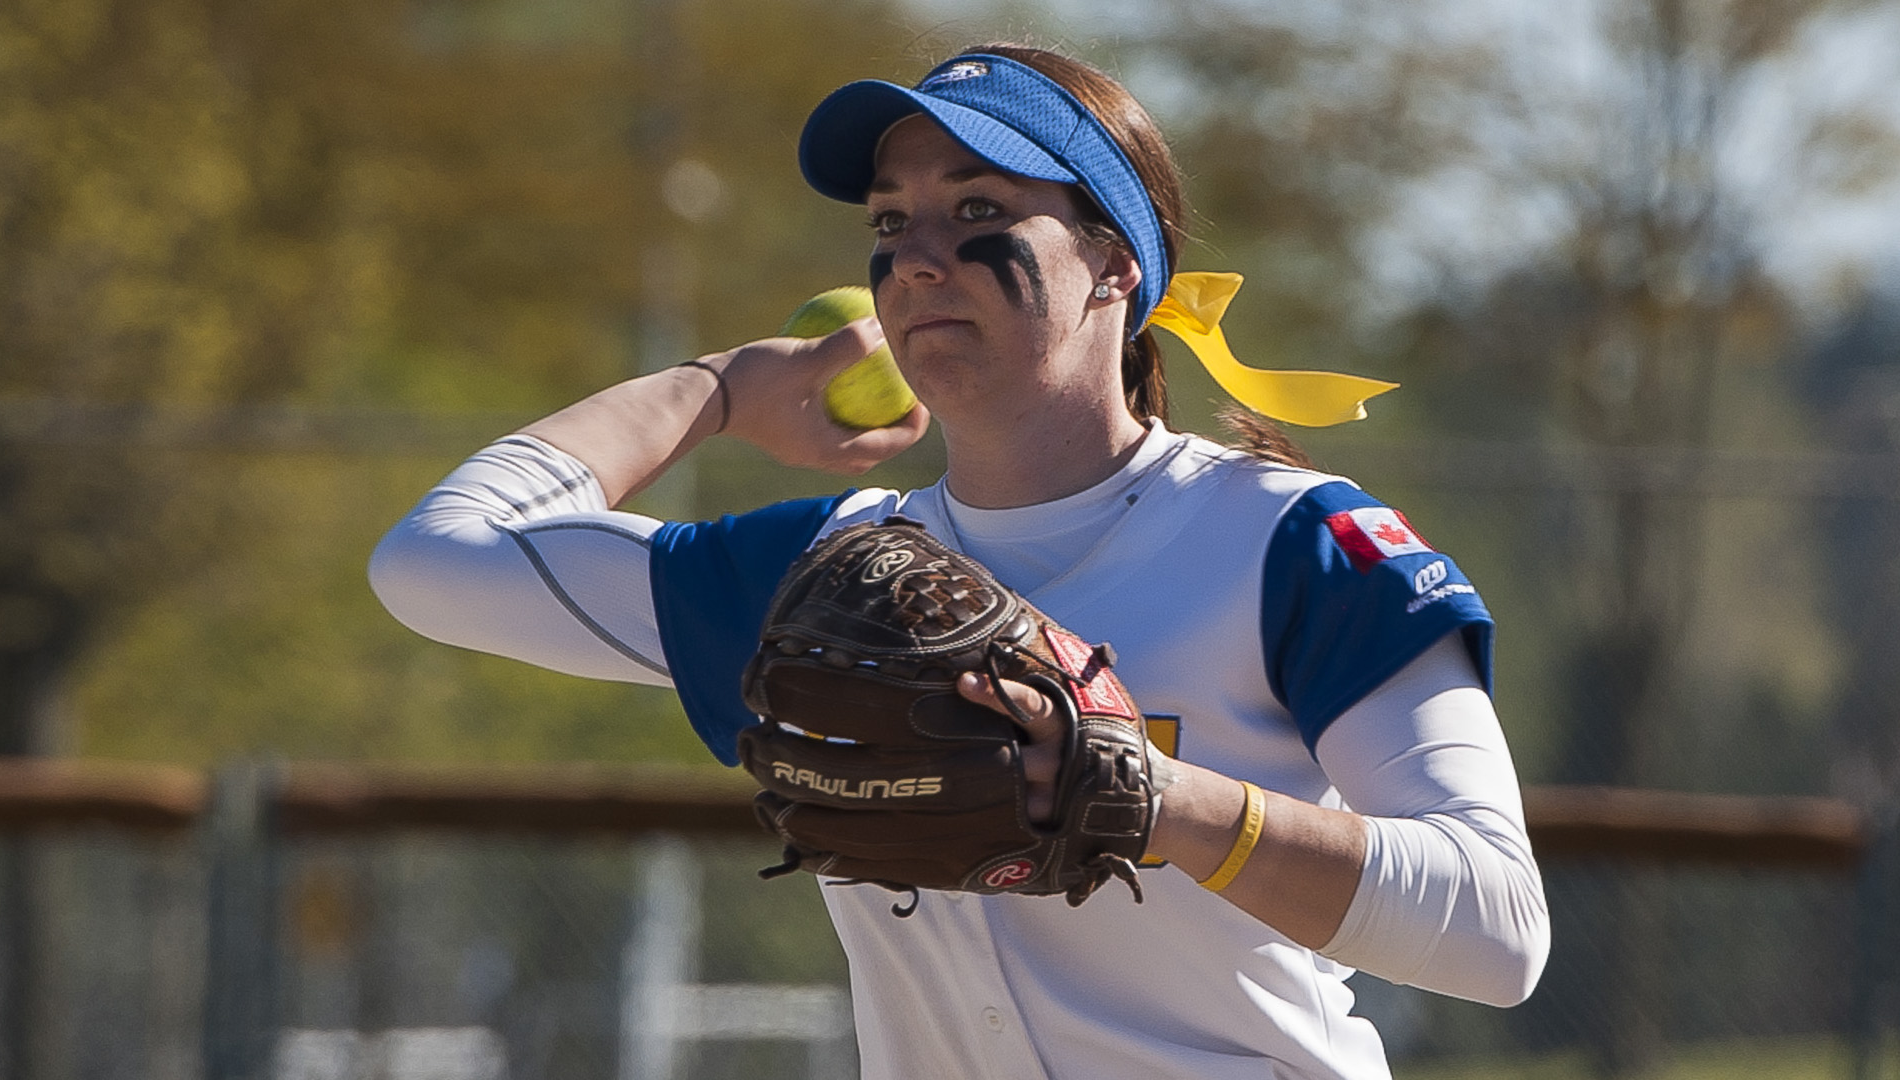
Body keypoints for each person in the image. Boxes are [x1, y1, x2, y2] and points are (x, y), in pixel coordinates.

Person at [370, 44, 1549, 1080]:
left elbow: (1499, 933)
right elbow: (434, 561)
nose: (921, 259)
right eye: (890, 224)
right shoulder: (833, 575)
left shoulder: (1291, 543)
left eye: (980, 213)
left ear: (1115, 263)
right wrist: (719, 389)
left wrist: (1167, 804)